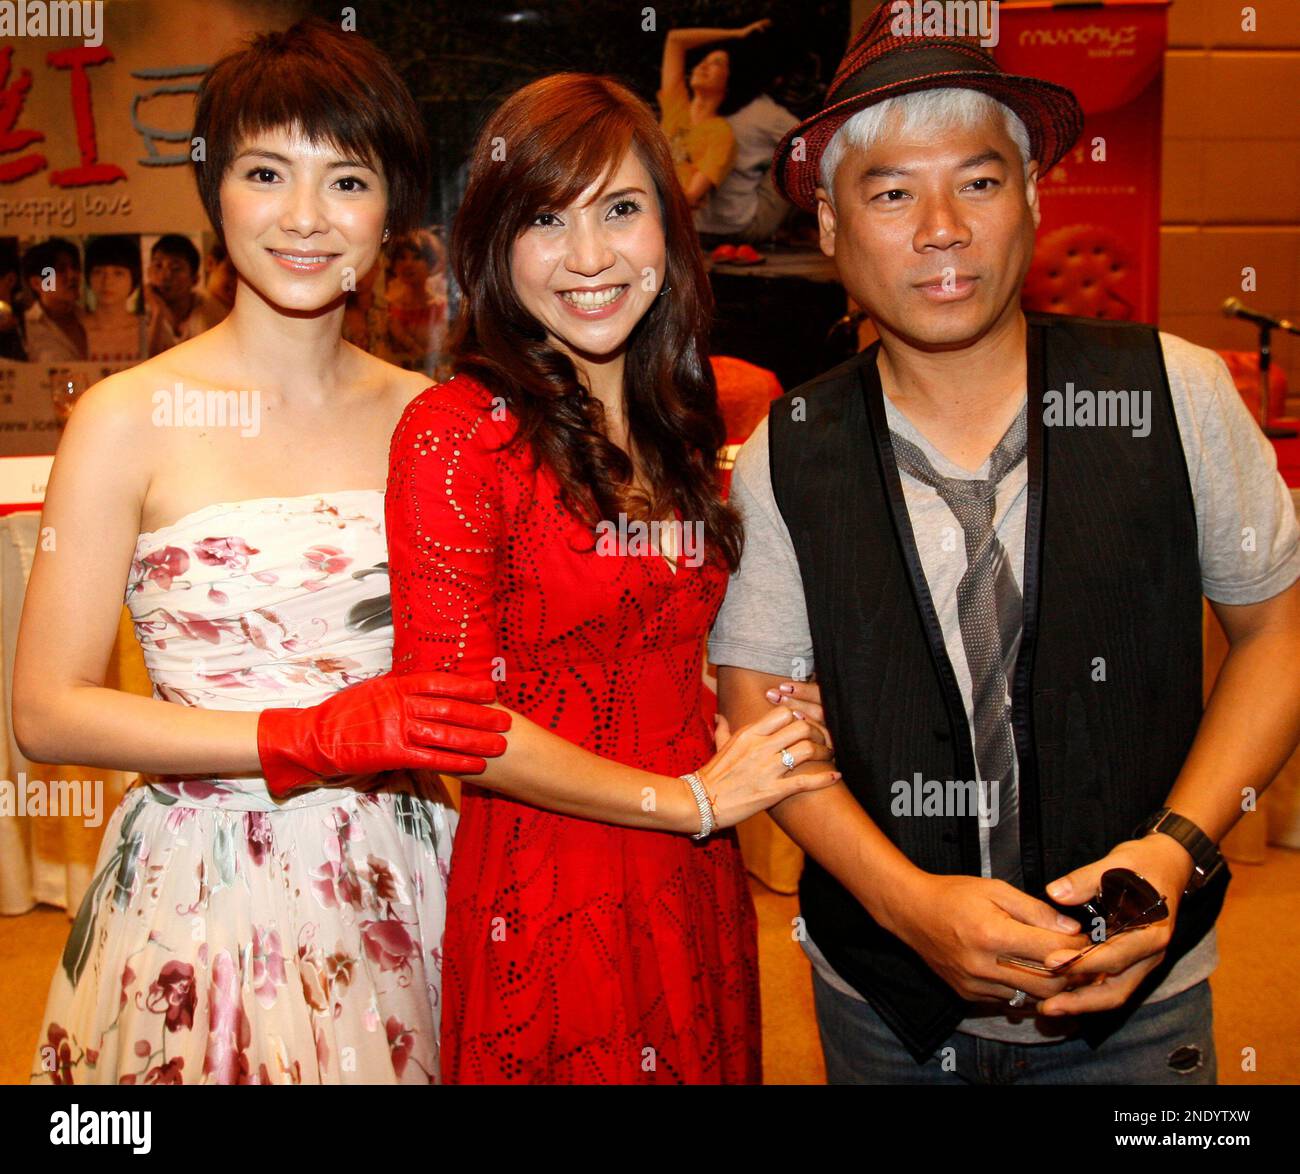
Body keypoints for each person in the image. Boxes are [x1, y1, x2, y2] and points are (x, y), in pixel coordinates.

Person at [710, 8, 1300, 1085]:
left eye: (977, 182)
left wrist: (1176, 849)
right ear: (832, 226)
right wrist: (906, 906)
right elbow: (759, 714)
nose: (941, 228)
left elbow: (1277, 635)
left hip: (1141, 1008)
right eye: (891, 194)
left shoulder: (1172, 393)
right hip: (884, 1010)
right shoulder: (788, 451)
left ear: (1031, 195)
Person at [18, 18, 512, 1086]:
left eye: (348, 181)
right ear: (216, 192)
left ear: (391, 211)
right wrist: (307, 733)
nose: (304, 217)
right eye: (265, 172)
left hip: (400, 866)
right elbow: (46, 710)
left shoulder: (433, 420)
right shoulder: (124, 417)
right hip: (200, 883)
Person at [383, 72, 842, 1084]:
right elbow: (453, 721)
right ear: (494, 244)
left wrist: (768, 706)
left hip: (694, 874)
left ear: (669, 229)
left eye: (621, 210)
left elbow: (665, 641)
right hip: (553, 887)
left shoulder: (680, 423)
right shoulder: (456, 434)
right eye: (546, 218)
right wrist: (683, 800)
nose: (590, 257)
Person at [657, 22, 769, 217]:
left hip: (670, 217)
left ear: (728, 82)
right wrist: (736, 32)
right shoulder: (677, 104)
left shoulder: (722, 134)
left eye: (716, 63)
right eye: (703, 61)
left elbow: (690, 197)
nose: (703, 66)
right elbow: (675, 40)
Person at [144, 233, 228, 353]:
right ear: (148, 272)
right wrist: (157, 313)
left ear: (195, 279)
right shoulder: (140, 313)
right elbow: (144, 361)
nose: (165, 276)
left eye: (176, 268)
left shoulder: (210, 309)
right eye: (158, 266)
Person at [83, 235, 156, 366]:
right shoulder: (75, 329)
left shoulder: (148, 329)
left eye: (118, 273)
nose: (107, 281)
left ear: (133, 278)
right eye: (99, 272)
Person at [21, 237, 87, 362]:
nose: (72, 275)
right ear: (37, 283)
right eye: (60, 270)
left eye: (75, 267)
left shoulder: (88, 319)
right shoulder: (26, 328)